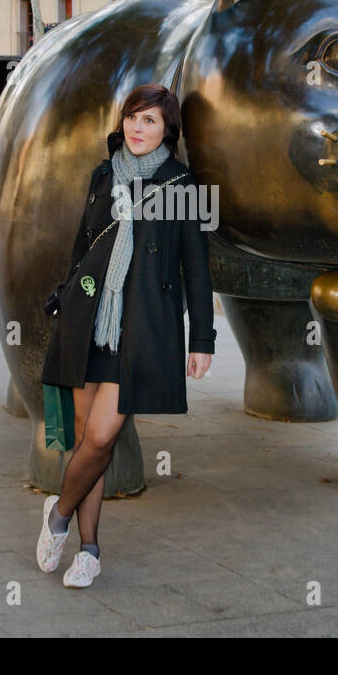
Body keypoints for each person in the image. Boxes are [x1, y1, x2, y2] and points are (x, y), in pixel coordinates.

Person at [36, 83, 215, 588]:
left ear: (167, 130)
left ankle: (59, 514)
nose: (137, 129)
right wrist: (67, 301)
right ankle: (89, 551)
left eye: (150, 121)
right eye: (132, 118)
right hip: (86, 322)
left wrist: (202, 339)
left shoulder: (180, 186)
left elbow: (196, 269)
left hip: (137, 330)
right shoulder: (102, 175)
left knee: (100, 436)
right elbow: (80, 249)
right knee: (88, 445)